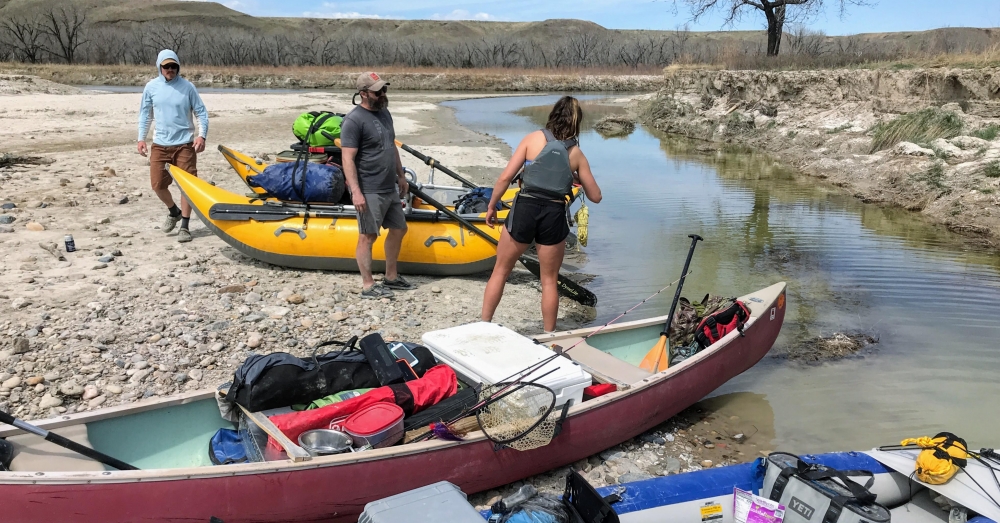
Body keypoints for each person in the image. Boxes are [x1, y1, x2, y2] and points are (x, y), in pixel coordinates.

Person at [481, 96, 602, 332]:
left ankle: (484, 325)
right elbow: (595, 196)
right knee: (549, 281)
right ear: (577, 124)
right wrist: (574, 175)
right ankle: (548, 336)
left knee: (501, 271)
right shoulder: (576, 154)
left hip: (525, 208)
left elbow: (506, 177)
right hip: (553, 214)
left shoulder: (532, 139)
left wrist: (492, 205)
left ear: (553, 114)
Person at [340, 72, 412, 299]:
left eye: (384, 90)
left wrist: (401, 176)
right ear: (363, 94)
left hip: (389, 185)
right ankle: (368, 285)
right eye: (378, 91)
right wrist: (356, 192)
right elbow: (347, 158)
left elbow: (392, 146)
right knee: (368, 236)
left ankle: (391, 276)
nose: (383, 94)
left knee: (399, 228)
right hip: (369, 188)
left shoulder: (384, 113)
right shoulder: (353, 120)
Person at [137, 49, 209, 244]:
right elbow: (146, 114)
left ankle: (185, 226)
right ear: (159, 67)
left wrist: (201, 136)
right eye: (166, 66)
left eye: (173, 66)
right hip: (160, 144)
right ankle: (173, 211)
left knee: (187, 186)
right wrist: (141, 139)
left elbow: (201, 113)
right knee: (157, 185)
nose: (170, 69)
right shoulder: (151, 87)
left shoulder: (188, 87)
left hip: (185, 144)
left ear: (178, 67)